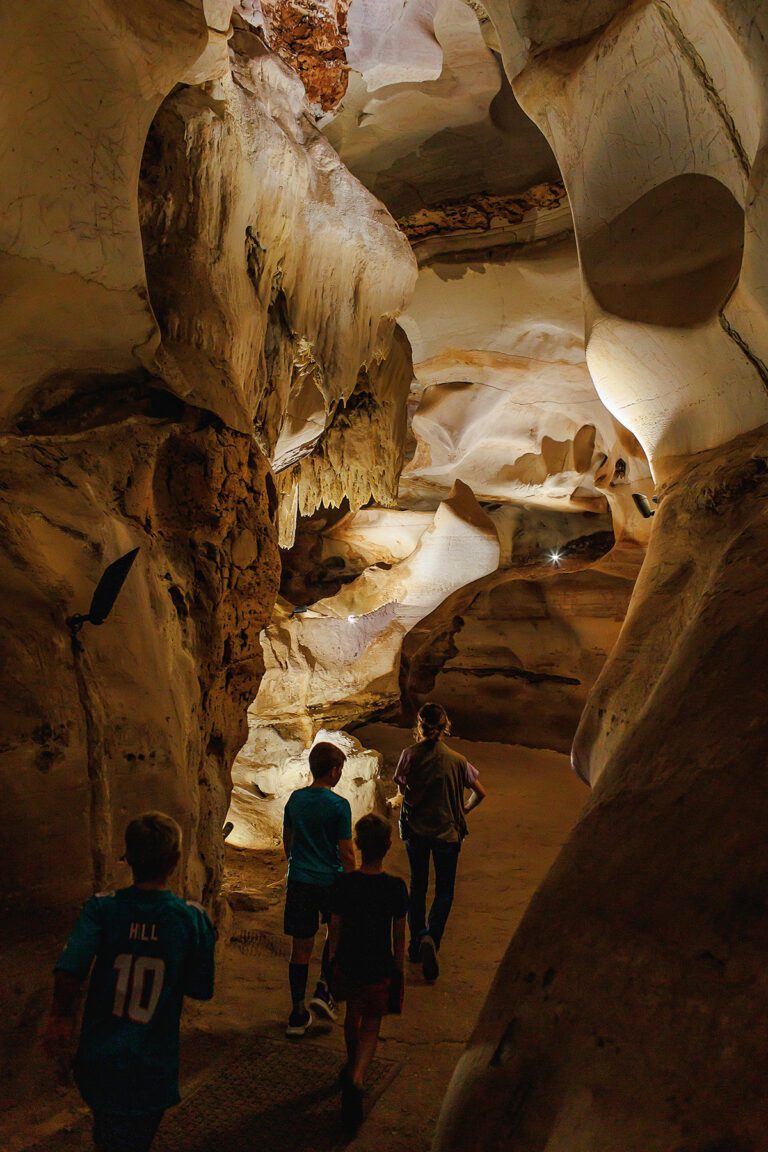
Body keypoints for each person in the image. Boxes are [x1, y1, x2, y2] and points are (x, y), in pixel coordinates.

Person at [43, 811, 216, 1152]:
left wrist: (60, 1015)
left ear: (129, 857)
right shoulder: (192, 919)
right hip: (153, 1064)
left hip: (101, 1059)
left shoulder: (102, 909)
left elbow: (70, 968)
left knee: (108, 1134)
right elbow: (201, 988)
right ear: (175, 860)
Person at [327, 812, 407, 1135]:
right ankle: (358, 1077)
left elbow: (335, 926)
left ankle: (350, 1063)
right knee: (372, 1023)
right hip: (377, 963)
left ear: (358, 845)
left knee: (352, 1013)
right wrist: (398, 969)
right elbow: (399, 934)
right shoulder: (395, 888)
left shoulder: (344, 884)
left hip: (348, 961)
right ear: (389, 845)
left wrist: (332, 960)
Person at [394, 701, 486, 983]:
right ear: (445, 727)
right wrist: (464, 809)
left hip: (417, 831)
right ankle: (432, 938)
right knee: (444, 890)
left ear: (419, 727)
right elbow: (480, 793)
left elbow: (401, 786)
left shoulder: (408, 755)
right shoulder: (459, 761)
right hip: (448, 833)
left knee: (418, 885)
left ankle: (415, 945)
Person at [282, 740, 355, 1037]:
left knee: (300, 946)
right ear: (335, 771)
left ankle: (297, 1011)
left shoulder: (296, 800)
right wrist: (352, 881)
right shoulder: (339, 806)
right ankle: (325, 987)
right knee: (336, 930)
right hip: (330, 879)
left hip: (300, 879)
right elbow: (346, 851)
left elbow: (287, 837)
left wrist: (295, 863)